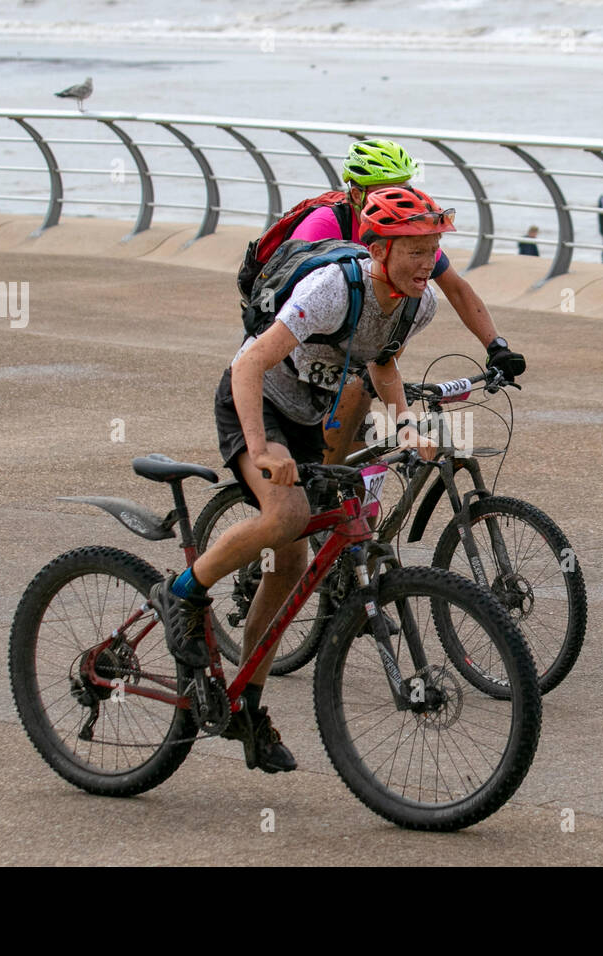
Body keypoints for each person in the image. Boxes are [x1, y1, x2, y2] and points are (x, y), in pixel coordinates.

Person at [149, 187, 450, 773]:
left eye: (433, 249)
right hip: (256, 403)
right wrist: (260, 449)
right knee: (285, 517)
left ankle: (248, 708)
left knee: (291, 566)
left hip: (309, 416)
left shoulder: (419, 302)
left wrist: (406, 422)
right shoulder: (334, 289)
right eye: (414, 250)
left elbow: (381, 359)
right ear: (379, 248)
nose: (426, 263)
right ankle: (182, 593)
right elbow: (249, 362)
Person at [287, 140, 526, 463]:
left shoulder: (405, 231)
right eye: (386, 191)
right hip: (304, 353)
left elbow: (457, 289)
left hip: (364, 352)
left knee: (359, 485)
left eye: (405, 190)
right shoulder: (323, 228)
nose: (399, 200)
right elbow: (293, 302)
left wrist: (495, 345)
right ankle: (320, 496)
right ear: (356, 194)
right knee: (330, 474)